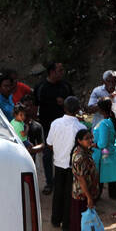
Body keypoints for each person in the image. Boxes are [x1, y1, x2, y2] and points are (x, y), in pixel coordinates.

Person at [47, 96, 86, 231]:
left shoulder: (55, 123)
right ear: (78, 110)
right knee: (70, 194)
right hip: (72, 166)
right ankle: (67, 222)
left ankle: (56, 219)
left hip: (59, 162)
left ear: (64, 108)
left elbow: (49, 144)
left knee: (58, 191)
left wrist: (59, 152)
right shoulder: (80, 127)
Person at [34, 61, 73, 194]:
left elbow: (73, 103)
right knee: (47, 154)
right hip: (46, 126)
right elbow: (34, 105)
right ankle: (49, 182)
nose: (62, 72)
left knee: (65, 152)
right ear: (51, 72)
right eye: (60, 70)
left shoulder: (66, 86)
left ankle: (61, 181)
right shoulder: (41, 87)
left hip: (65, 127)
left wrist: (64, 104)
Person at [92, 98, 116, 219]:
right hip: (112, 156)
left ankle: (92, 206)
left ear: (99, 109)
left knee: (101, 182)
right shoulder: (111, 120)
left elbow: (102, 144)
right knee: (112, 183)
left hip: (106, 157)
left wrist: (93, 144)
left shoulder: (104, 123)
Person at [68, 127, 100, 231]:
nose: (90, 140)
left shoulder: (81, 152)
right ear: (79, 141)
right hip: (82, 194)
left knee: (75, 218)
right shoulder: (81, 156)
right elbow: (81, 179)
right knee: (83, 220)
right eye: (86, 139)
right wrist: (89, 197)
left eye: (90, 138)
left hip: (77, 192)